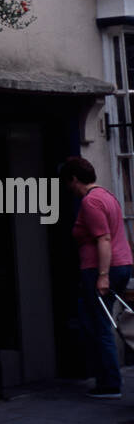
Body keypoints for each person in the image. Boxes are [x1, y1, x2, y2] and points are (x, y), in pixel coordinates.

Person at [60, 156, 133, 399]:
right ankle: (107, 378)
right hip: (122, 265)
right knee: (96, 321)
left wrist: (102, 276)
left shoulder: (90, 202)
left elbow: (103, 239)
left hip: (102, 269)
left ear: (74, 179)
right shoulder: (108, 196)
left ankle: (110, 383)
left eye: (68, 182)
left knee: (98, 324)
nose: (68, 188)